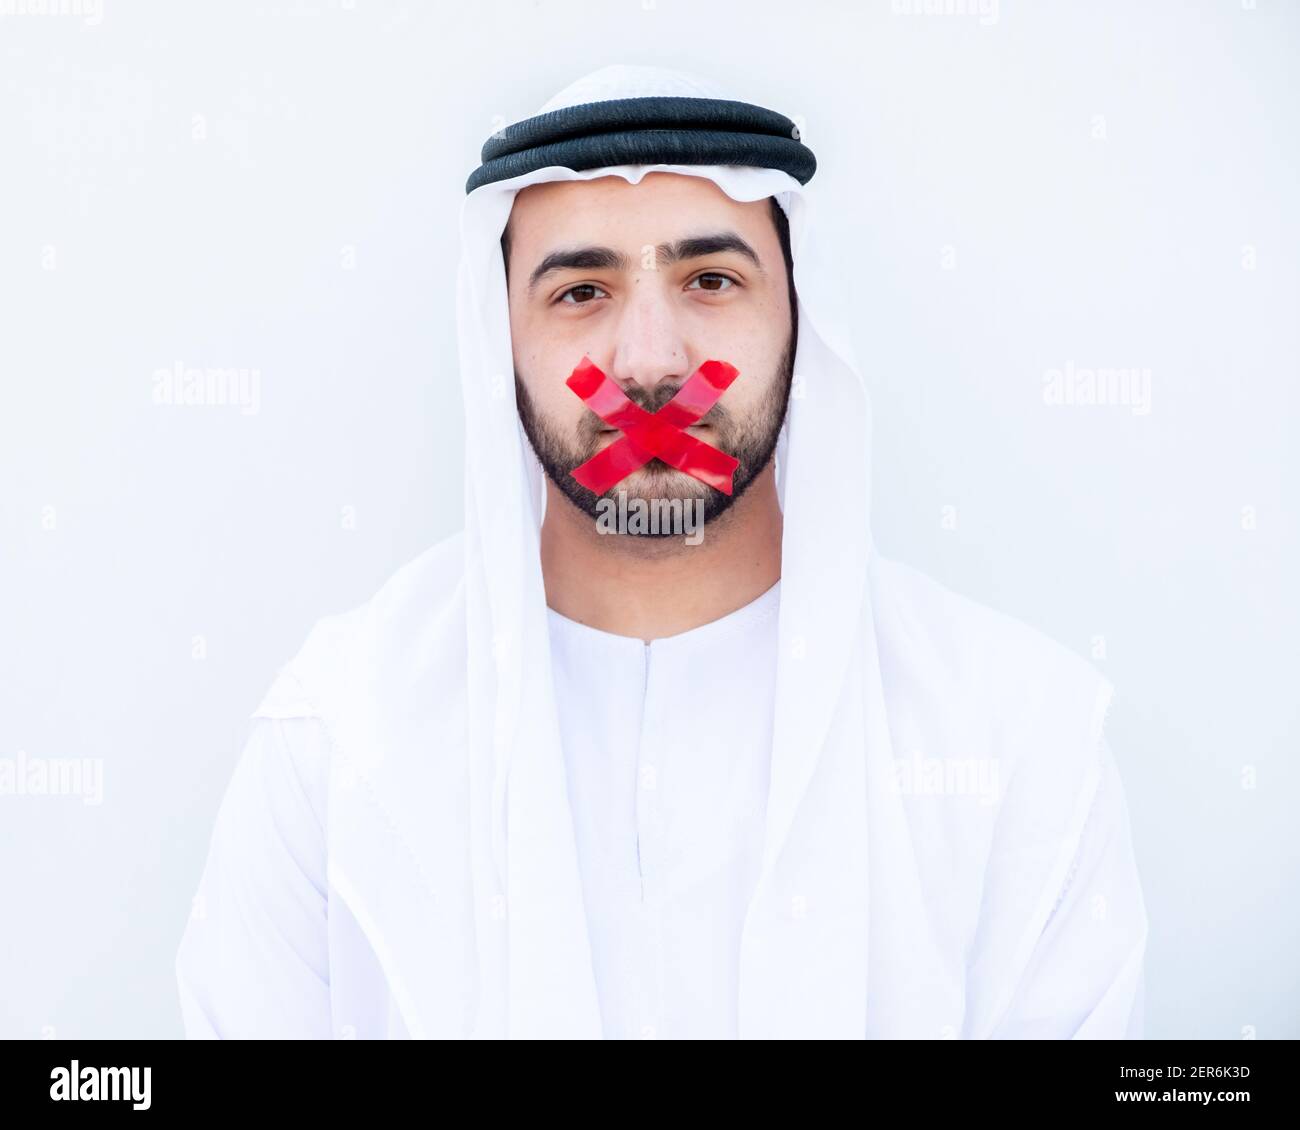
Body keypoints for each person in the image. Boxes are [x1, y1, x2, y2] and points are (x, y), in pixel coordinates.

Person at [175, 64, 1147, 1039]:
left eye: (710, 280)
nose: (648, 362)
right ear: (499, 338)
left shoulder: (1014, 734)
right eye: (581, 290)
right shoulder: (338, 733)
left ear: (799, 319)